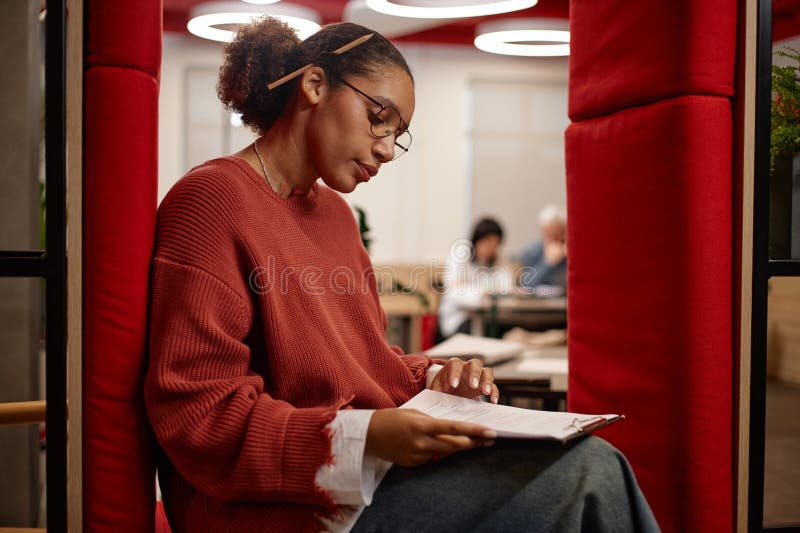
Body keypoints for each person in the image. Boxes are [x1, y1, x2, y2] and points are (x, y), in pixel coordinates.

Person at [144, 17, 660, 533]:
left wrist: (434, 379)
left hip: (368, 477)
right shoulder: (211, 202)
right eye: (378, 118)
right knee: (587, 475)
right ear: (314, 85)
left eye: (397, 134)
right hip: (283, 507)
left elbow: (367, 362)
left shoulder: (336, 217)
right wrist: (364, 437)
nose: (387, 149)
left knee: (594, 458)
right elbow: (198, 415)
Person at [437, 218, 514, 340]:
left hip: (491, 317)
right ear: (477, 240)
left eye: (495, 245)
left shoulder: (499, 259)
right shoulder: (460, 256)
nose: (491, 249)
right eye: (488, 243)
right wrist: (482, 292)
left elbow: (507, 288)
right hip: (459, 318)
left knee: (510, 330)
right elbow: (454, 291)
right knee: (483, 332)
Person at [518, 204, 568, 292]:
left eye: (557, 235)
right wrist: (547, 263)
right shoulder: (532, 251)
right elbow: (526, 286)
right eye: (548, 235)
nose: (553, 240)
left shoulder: (570, 251)